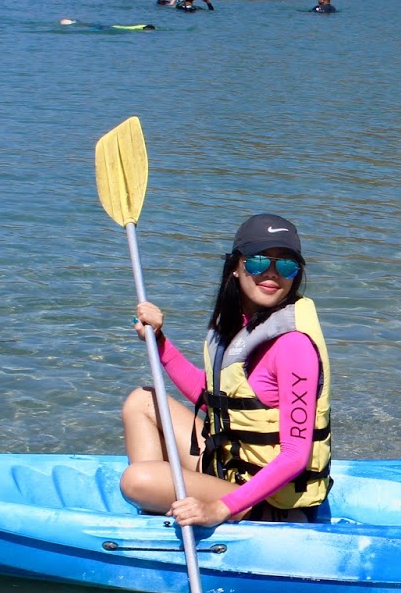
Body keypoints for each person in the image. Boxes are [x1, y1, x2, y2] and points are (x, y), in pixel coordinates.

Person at [121, 213, 333, 525]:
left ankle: (169, 502)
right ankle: (163, 514)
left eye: (286, 264)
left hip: (271, 501)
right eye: (259, 261)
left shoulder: (293, 345)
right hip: (232, 469)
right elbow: (212, 399)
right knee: (141, 401)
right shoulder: (241, 326)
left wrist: (220, 508)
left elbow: (295, 456)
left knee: (137, 480)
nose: (272, 273)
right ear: (236, 266)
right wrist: (160, 340)